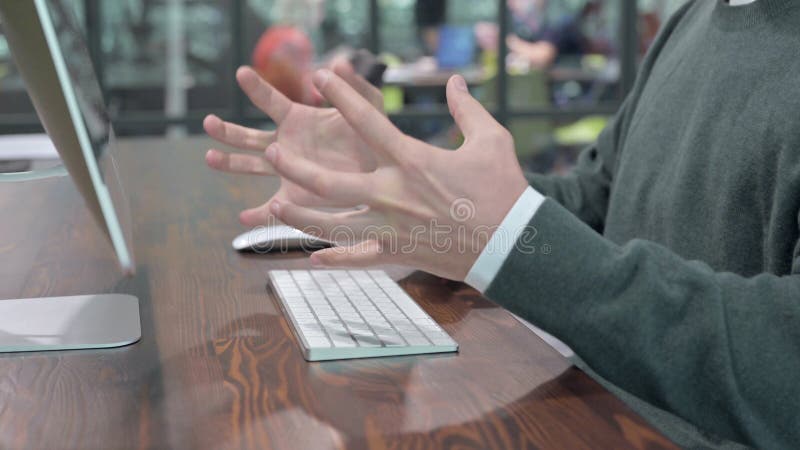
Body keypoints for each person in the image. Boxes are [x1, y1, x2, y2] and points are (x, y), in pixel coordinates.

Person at [204, 0, 800, 448]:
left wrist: (507, 237)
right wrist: (400, 176)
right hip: (590, 403)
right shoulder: (693, 19)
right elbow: (594, 200)